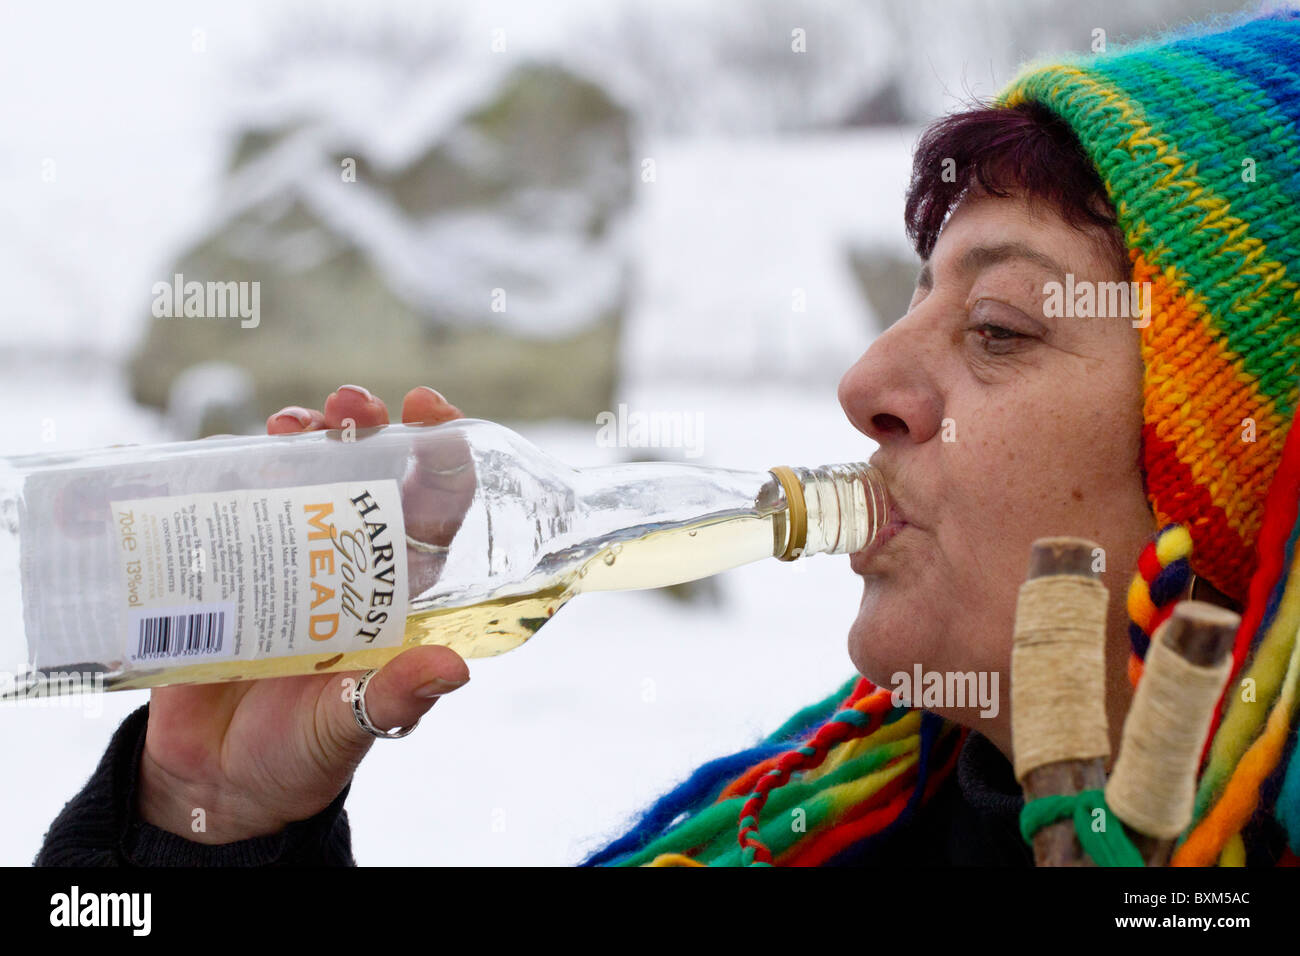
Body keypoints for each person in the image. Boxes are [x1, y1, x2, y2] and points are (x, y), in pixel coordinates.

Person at [35, 8, 1300, 867]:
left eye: (1003, 328)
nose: (866, 380)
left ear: (1244, 485)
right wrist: (199, 827)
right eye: (912, 297)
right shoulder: (820, 831)